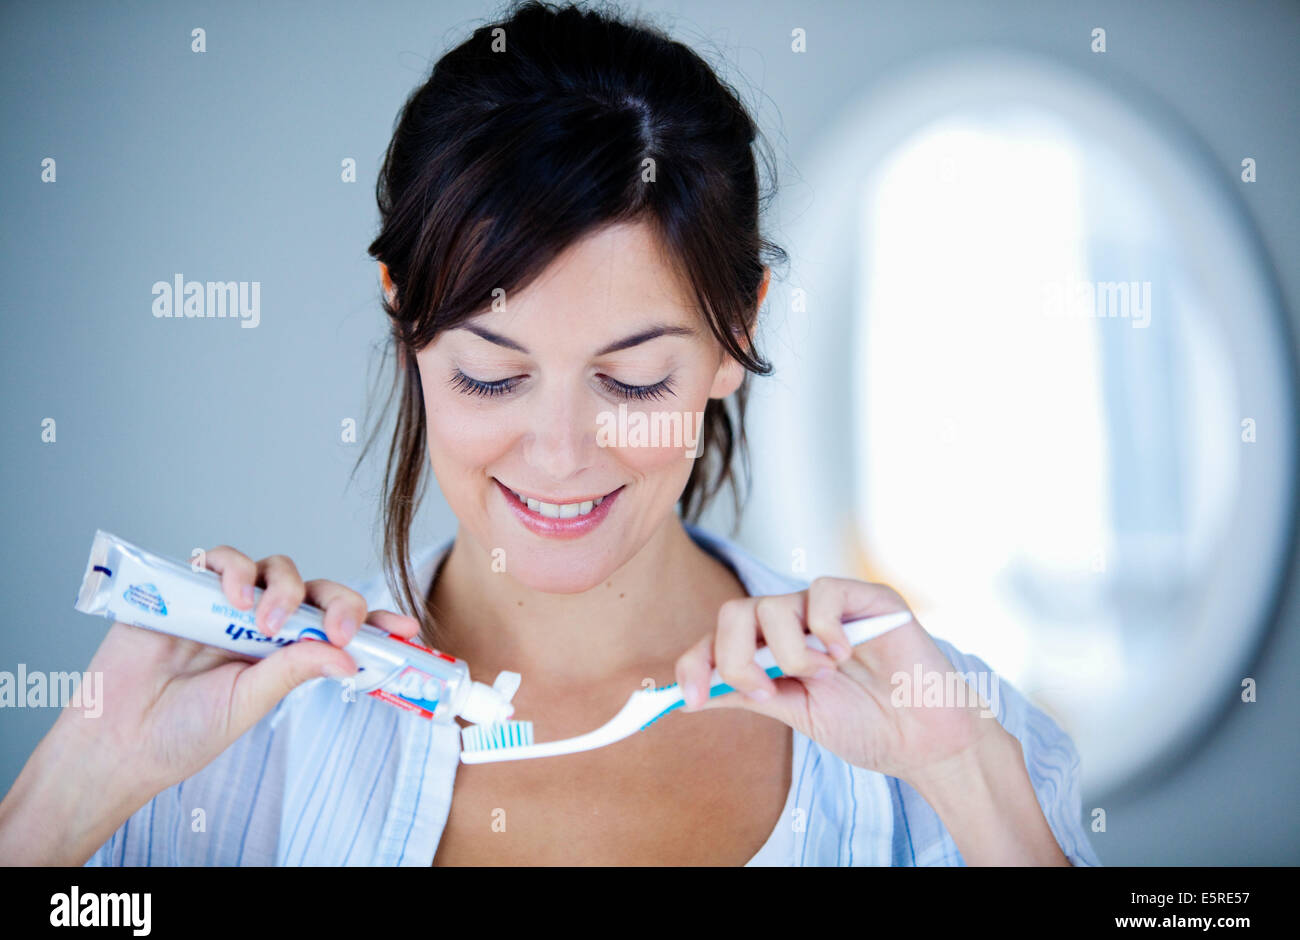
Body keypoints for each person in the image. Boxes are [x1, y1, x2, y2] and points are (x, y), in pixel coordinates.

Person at [0, 0, 1099, 866]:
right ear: (402, 318)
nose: (562, 453)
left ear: (738, 331)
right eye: (490, 375)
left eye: (630, 379)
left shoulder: (950, 737)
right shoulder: (232, 755)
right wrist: (78, 786)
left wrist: (972, 788)